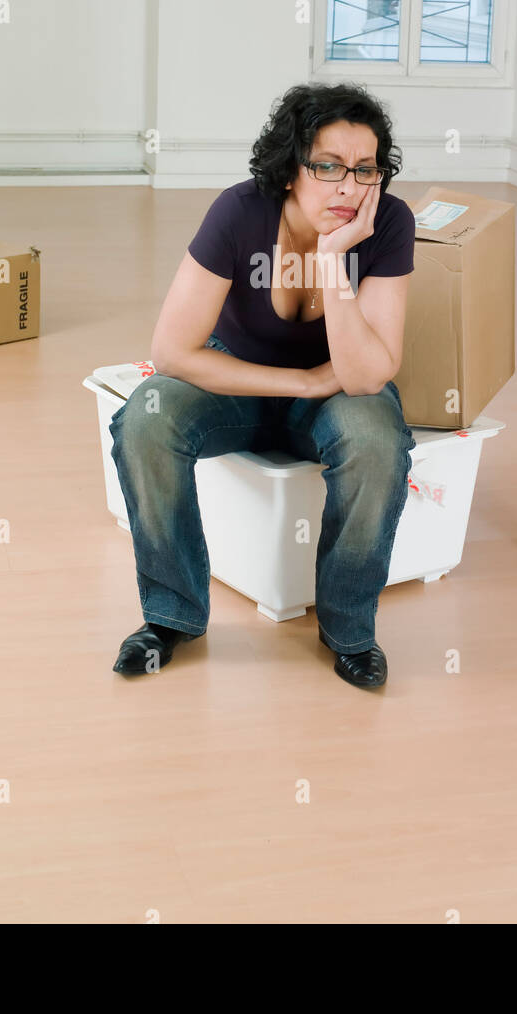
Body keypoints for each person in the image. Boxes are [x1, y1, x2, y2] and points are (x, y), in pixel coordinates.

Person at [109, 82, 418, 689]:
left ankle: (350, 631)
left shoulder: (387, 225)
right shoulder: (239, 212)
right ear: (290, 167)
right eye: (327, 167)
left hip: (339, 389)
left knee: (378, 440)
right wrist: (300, 382)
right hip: (239, 379)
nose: (348, 188)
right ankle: (171, 616)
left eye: (363, 170)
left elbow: (365, 374)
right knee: (143, 418)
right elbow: (171, 351)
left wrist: (333, 260)